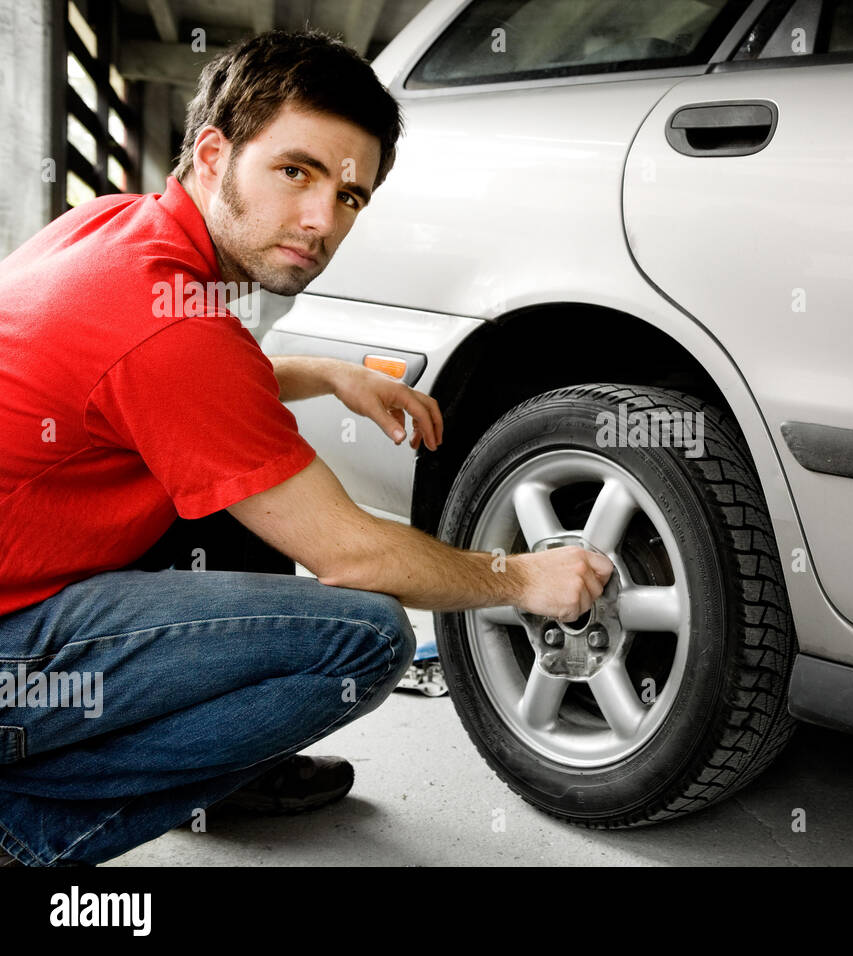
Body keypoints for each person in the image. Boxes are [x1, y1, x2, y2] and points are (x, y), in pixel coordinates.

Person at [0, 29, 612, 867]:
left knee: (237, 496)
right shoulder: (170, 324)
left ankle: (219, 772)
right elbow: (351, 553)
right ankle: (25, 829)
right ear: (213, 155)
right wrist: (519, 578)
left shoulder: (114, 230)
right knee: (365, 637)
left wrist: (327, 373)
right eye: (296, 172)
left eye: (352, 195)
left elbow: (175, 390)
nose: (323, 221)